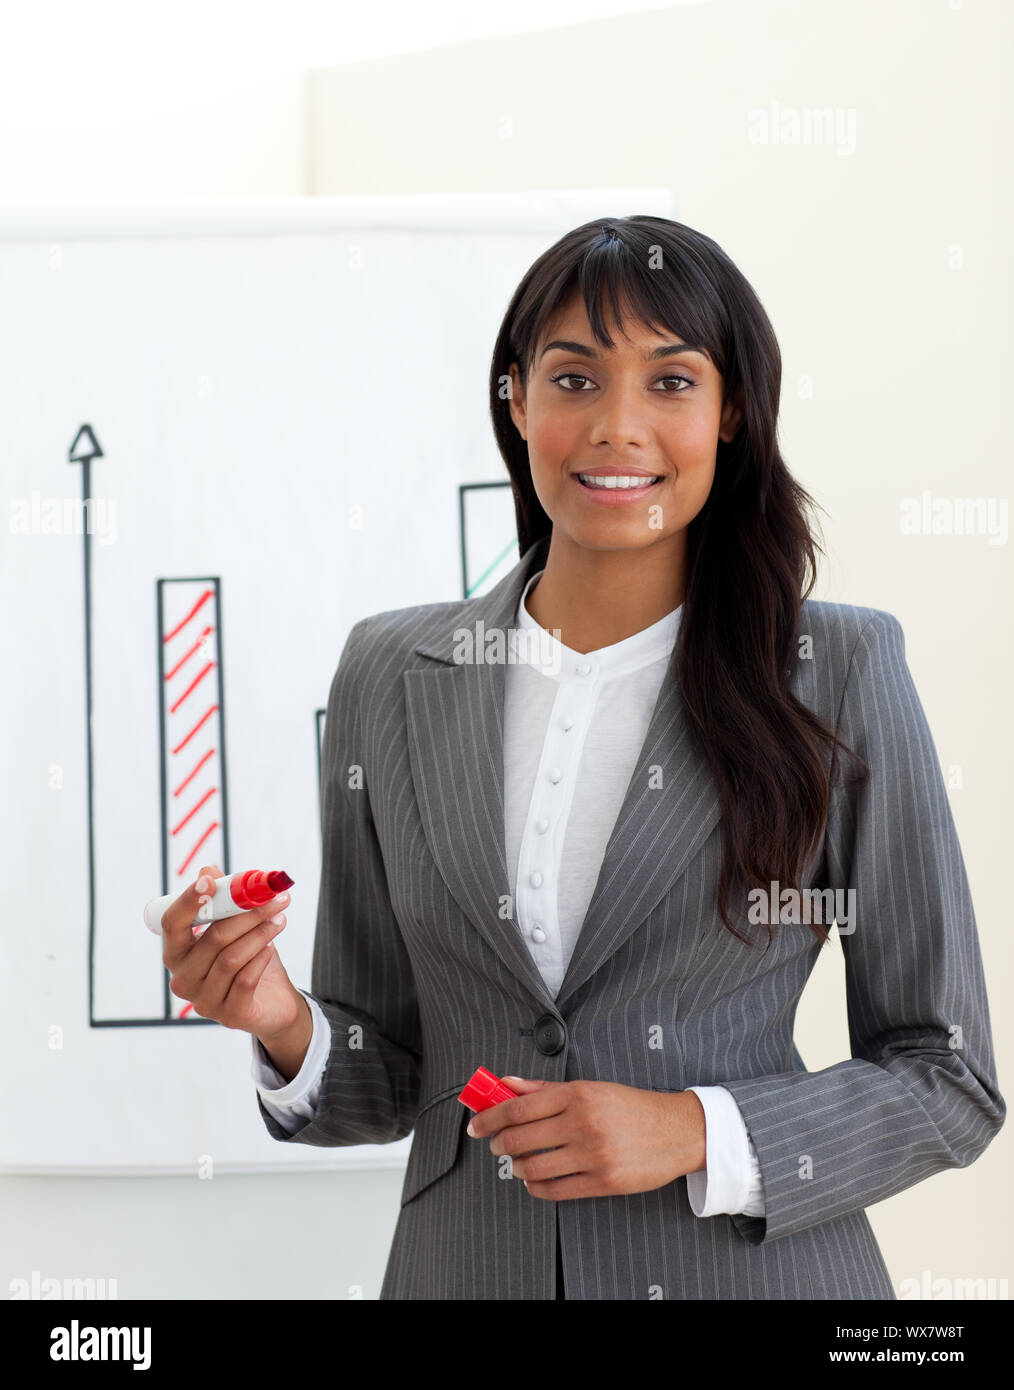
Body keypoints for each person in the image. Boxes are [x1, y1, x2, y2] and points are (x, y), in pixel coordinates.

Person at [160, 215, 1005, 1300]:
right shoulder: (388, 671)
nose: (617, 426)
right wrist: (278, 1015)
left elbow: (949, 1076)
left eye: (670, 382)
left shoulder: (834, 667)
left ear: (731, 409)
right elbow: (395, 1079)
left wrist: (695, 1128)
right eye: (572, 379)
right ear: (515, 400)